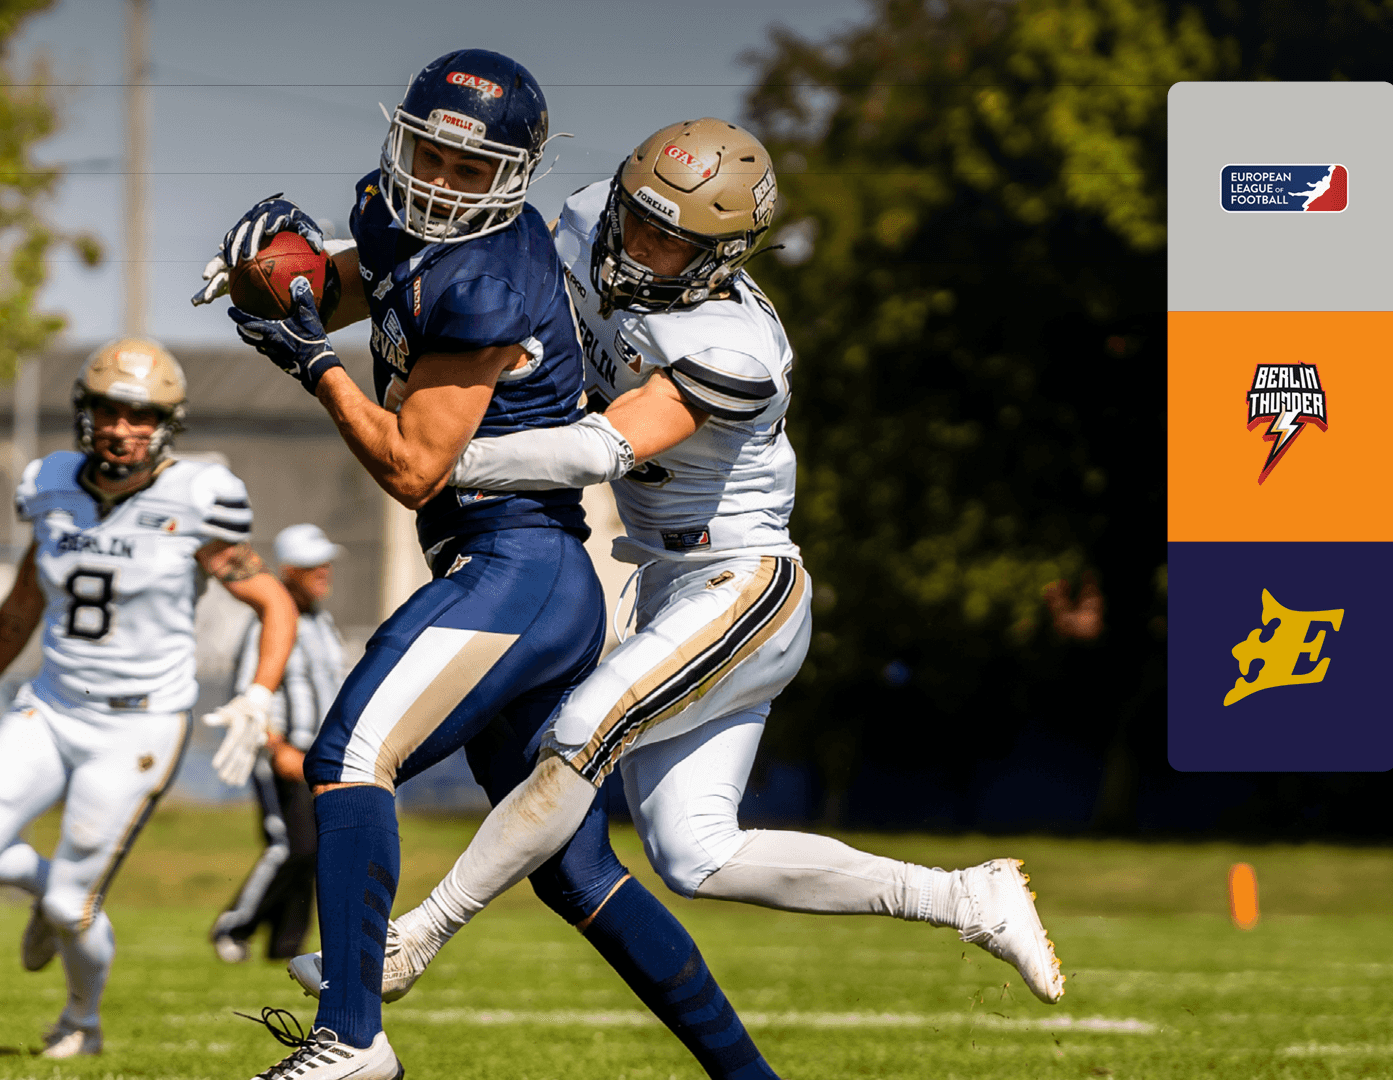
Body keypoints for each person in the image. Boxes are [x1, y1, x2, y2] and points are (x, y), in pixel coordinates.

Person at [297, 119, 1065, 1008]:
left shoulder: (733, 347)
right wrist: (313, 275)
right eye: (637, 219)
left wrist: (433, 456)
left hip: (741, 583)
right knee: (695, 856)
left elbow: (599, 451)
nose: (640, 246)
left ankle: (417, 940)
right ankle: (967, 896)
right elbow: (480, 272)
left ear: (722, 256)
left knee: (578, 735)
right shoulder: (585, 222)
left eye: (672, 241)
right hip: (663, 581)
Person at [202, 54, 787, 1080]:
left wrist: (309, 361)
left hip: (520, 562)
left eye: (467, 166)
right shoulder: (402, 215)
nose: (439, 177)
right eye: (429, 148)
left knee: (348, 754)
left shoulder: (491, 273)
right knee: (574, 871)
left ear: (513, 174)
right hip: (509, 566)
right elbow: (341, 288)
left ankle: (352, 1041)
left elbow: (413, 468)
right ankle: (751, 1079)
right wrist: (274, 273)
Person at [0, 337, 298, 1058]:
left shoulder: (199, 497)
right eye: (108, 409)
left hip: (139, 725)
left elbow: (274, 602)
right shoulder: (51, 483)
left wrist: (259, 694)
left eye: (140, 414)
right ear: (85, 411)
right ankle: (47, 892)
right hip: (50, 705)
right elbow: (25, 597)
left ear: (167, 422)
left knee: (75, 904)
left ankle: (81, 1023)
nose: (121, 427)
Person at [210, 523, 346, 963]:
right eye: (313, 564)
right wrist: (277, 746)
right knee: (291, 845)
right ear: (290, 570)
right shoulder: (270, 622)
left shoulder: (322, 622)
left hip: (321, 755)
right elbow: (252, 691)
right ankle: (233, 925)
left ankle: (286, 946)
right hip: (283, 753)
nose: (324, 570)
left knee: (315, 850)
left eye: (326, 561)